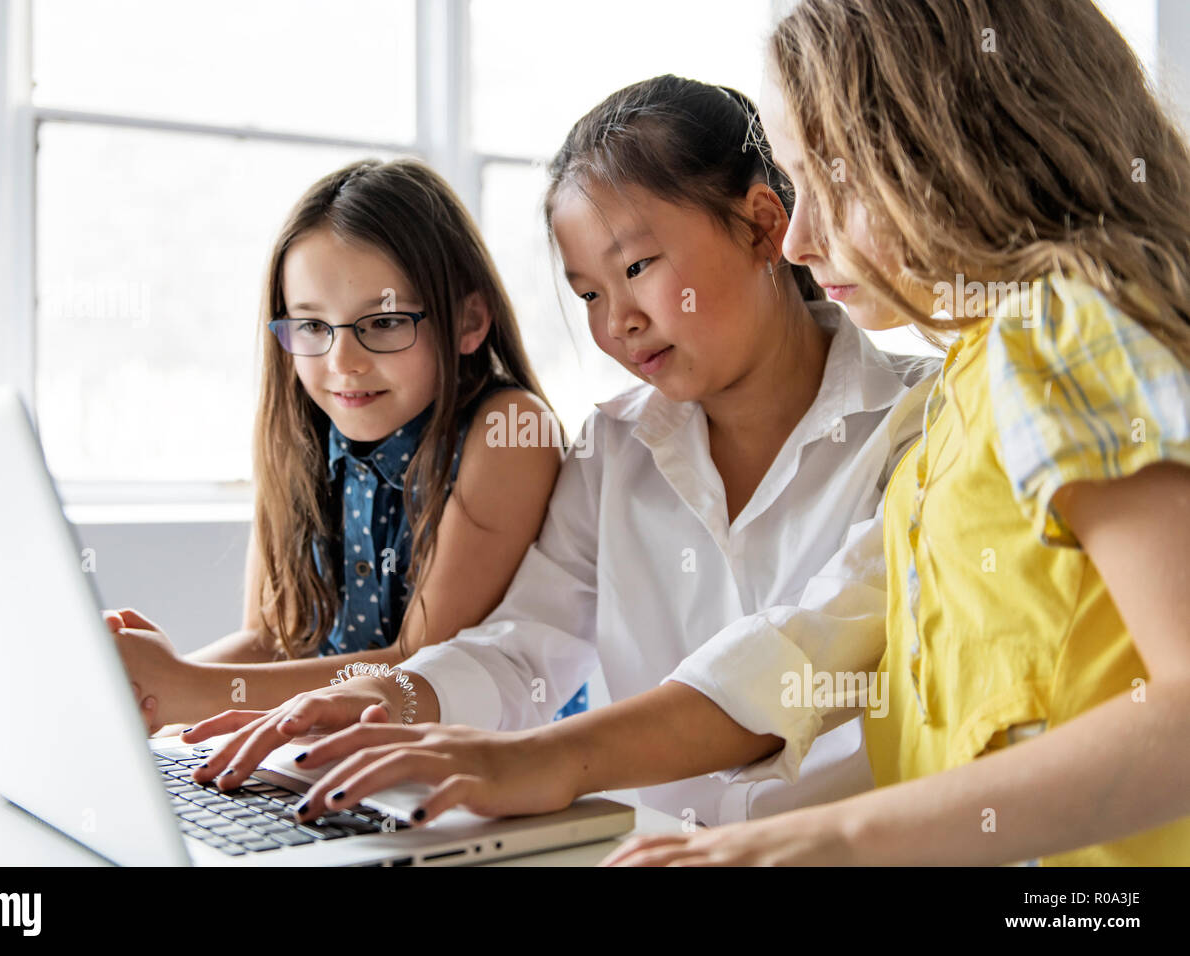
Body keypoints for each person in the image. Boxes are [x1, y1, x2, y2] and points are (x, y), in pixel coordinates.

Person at [181, 75, 936, 827]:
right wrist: (392, 696)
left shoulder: (924, 422)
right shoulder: (613, 447)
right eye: (589, 295)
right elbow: (523, 647)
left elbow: (803, 651)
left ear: (764, 227)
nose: (618, 325)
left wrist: (537, 760)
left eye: (637, 268)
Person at [604, 0, 1190, 865]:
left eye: (829, 184)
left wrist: (832, 838)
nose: (797, 240)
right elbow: (827, 628)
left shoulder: (1061, 333)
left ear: (958, 148)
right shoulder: (970, 378)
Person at [102, 157, 586, 733]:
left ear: (468, 320)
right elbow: (269, 643)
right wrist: (139, 693)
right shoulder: (301, 437)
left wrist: (181, 687)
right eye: (311, 326)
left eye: (383, 323)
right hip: (327, 765)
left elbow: (416, 668)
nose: (342, 363)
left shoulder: (508, 432)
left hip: (476, 778)